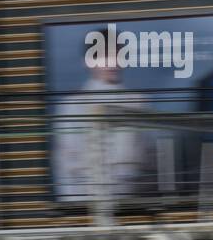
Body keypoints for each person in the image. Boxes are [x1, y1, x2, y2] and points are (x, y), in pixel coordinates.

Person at [51, 43, 154, 202]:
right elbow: (66, 165)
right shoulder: (72, 105)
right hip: (85, 206)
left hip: (132, 204)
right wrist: (75, 210)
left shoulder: (137, 102)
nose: (112, 62)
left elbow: (149, 158)